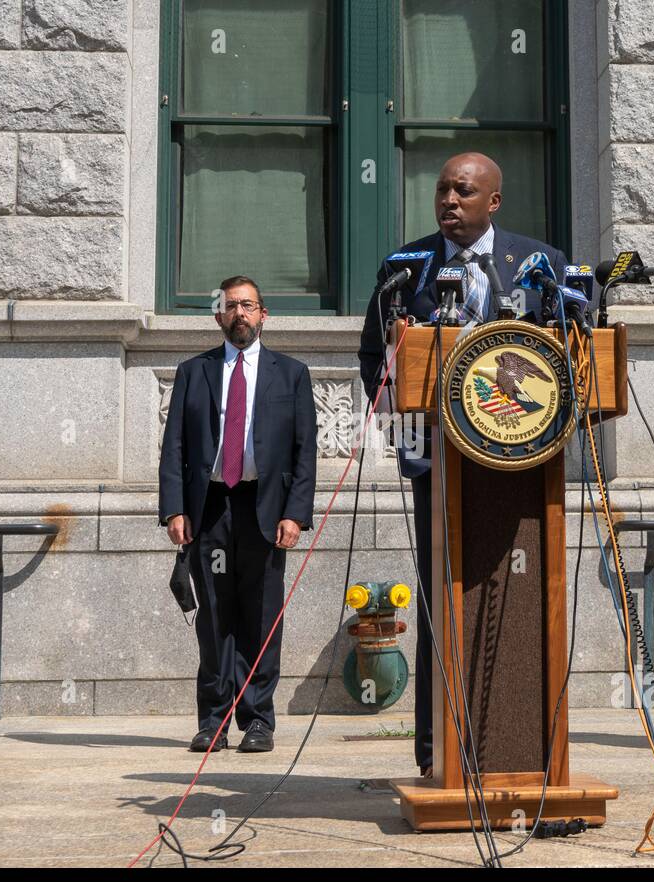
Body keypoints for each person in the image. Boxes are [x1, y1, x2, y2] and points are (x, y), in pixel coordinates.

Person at [356, 152, 568, 777]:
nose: (450, 201)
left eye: (464, 191)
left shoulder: (541, 263)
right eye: (443, 190)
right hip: (438, 462)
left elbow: (571, 354)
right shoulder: (406, 267)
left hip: (522, 466)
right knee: (441, 598)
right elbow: (376, 357)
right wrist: (402, 404)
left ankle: (526, 751)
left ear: (494, 201)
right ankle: (436, 752)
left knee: (528, 594)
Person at [159, 276, 317, 753]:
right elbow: (175, 446)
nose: (240, 314)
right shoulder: (195, 371)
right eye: (231, 307)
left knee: (262, 616)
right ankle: (213, 721)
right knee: (214, 617)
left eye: (248, 306)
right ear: (218, 317)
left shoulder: (290, 374)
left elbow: (303, 452)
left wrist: (295, 514)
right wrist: (174, 508)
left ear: (264, 314)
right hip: (210, 508)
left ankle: (258, 720)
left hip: (264, 509)